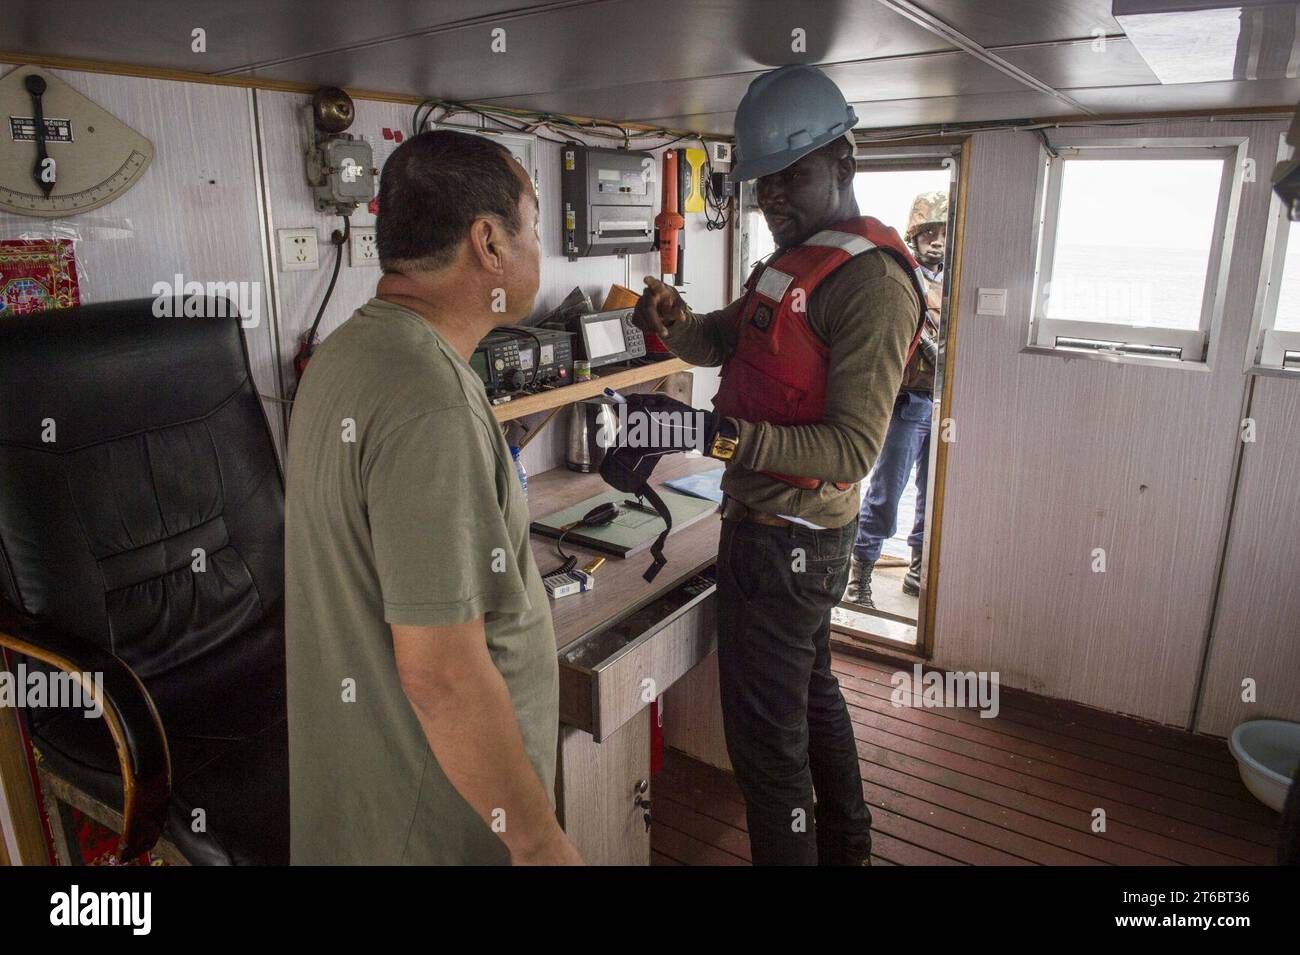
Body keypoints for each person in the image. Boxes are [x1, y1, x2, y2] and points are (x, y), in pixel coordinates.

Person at [628, 65, 927, 865]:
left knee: (767, 751)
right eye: (764, 183)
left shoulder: (870, 283)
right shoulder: (792, 262)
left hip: (789, 543)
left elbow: (850, 449)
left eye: (790, 176)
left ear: (845, 163)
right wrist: (673, 321)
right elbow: (723, 340)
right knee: (813, 697)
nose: (774, 199)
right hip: (769, 534)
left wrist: (720, 434)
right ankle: (848, 849)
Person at [284, 130, 581, 865]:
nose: (540, 249)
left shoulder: (349, 353)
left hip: (365, 802)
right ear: (488, 242)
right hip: (436, 824)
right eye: (534, 226)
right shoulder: (430, 402)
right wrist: (541, 842)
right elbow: (442, 674)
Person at [846, 191, 946, 608]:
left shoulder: (958, 279)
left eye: (945, 233)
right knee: (886, 493)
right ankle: (859, 578)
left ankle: (918, 572)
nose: (938, 242)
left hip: (942, 402)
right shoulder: (904, 278)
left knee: (934, 495)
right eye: (930, 234)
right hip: (905, 403)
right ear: (916, 235)